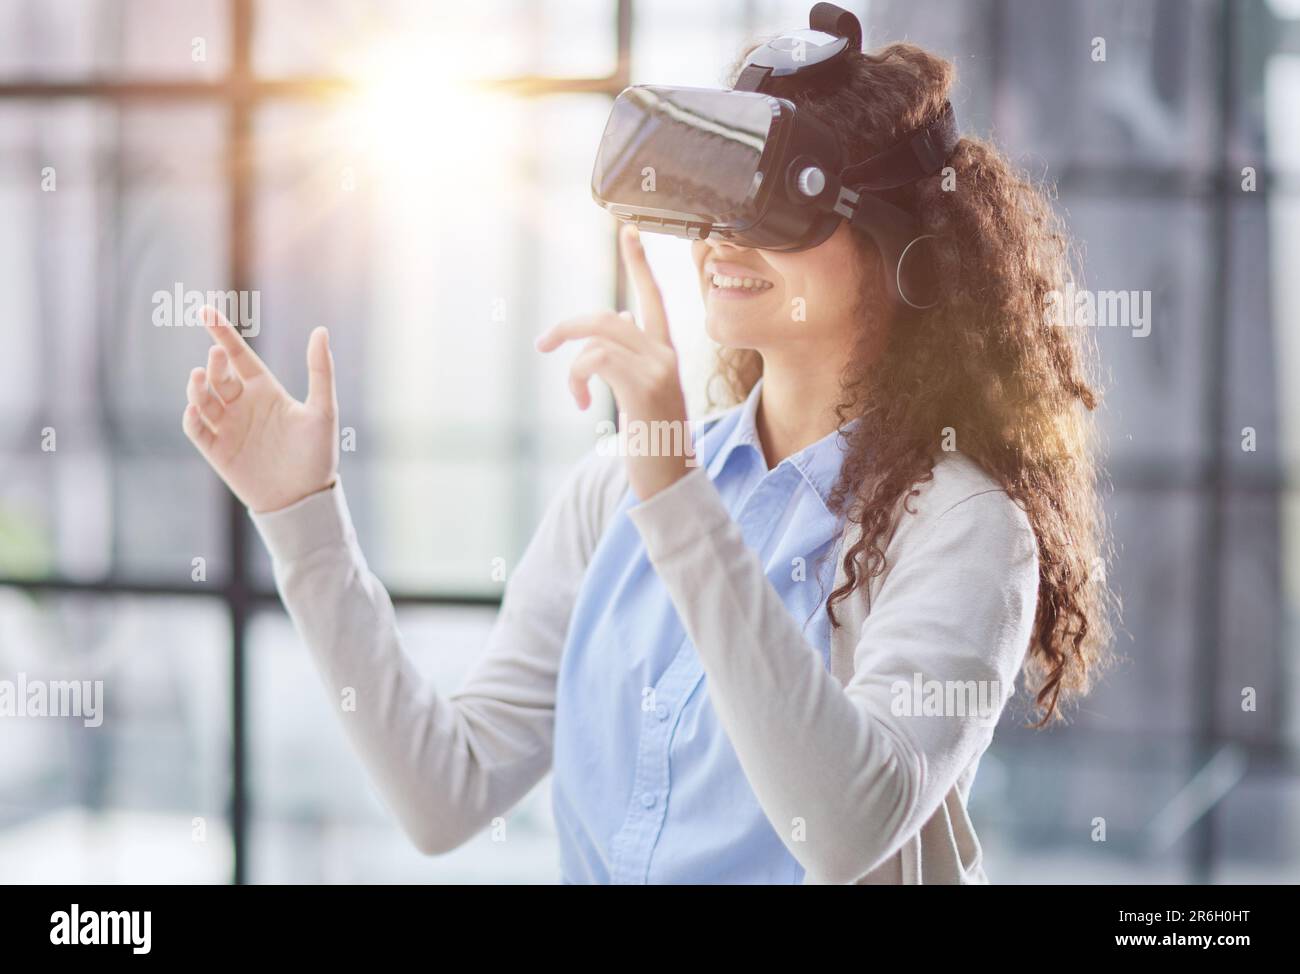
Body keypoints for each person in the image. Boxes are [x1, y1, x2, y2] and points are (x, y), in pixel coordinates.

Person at [180, 38, 1112, 884]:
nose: (722, 238)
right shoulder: (612, 490)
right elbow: (445, 794)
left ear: (905, 248)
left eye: (779, 203)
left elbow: (841, 827)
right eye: (716, 200)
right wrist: (300, 517)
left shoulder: (961, 528)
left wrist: (673, 493)